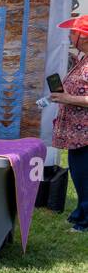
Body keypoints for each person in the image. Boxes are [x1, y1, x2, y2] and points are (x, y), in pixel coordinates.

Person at [52, 14, 88, 231]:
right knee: (80, 175)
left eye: (73, 32)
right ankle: (80, 214)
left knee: (85, 176)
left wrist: (68, 99)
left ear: (84, 37)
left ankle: (85, 221)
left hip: (85, 134)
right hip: (79, 134)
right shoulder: (83, 58)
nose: (69, 34)